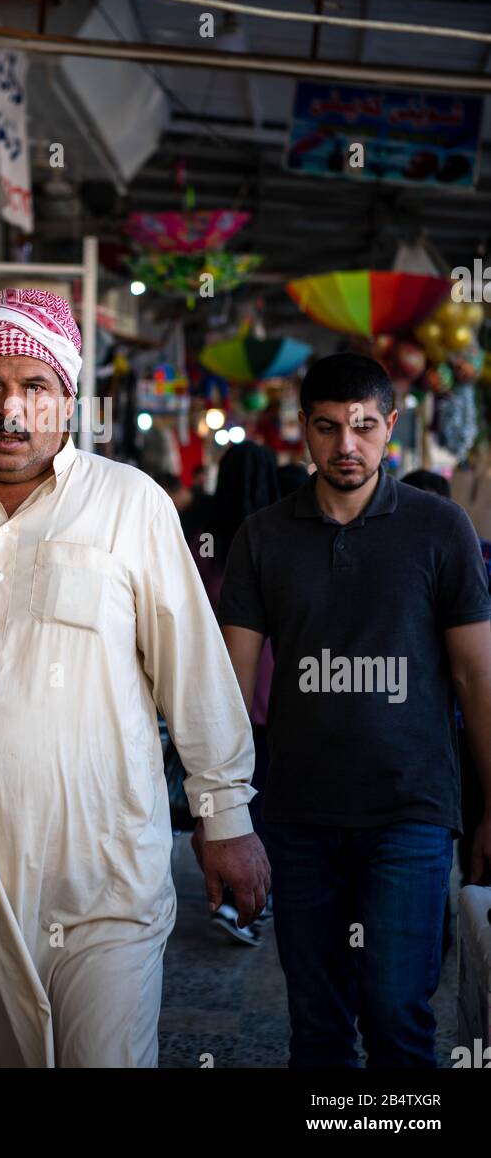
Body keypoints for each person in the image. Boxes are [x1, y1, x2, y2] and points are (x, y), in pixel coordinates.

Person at [0, 288, 269, 1069]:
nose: (11, 410)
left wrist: (227, 816)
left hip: (100, 876)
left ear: (68, 402)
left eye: (34, 387)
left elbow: (196, 670)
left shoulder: (130, 505)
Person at [218, 353, 491, 1068]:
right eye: (330, 427)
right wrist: (224, 815)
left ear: (390, 427)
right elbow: (231, 689)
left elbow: (475, 676)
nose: (348, 445)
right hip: (299, 817)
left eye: (365, 426)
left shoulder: (440, 529)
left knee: (398, 1017)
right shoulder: (264, 536)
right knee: (317, 1028)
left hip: (412, 812)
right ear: (302, 430)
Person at [192, 441, 280, 946]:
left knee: (220, 787)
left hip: (215, 683)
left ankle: (230, 896)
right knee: (260, 792)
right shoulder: (277, 528)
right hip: (272, 683)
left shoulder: (204, 530)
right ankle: (253, 898)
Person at [402, 469, 488, 896]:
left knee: (474, 838)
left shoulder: (478, 556)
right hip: (421, 732)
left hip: (468, 723)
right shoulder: (388, 563)